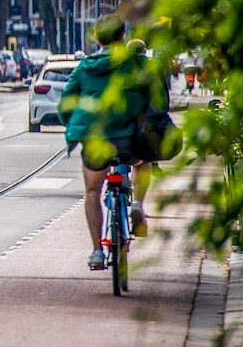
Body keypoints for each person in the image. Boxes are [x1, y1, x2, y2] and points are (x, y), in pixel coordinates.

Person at [58, 14, 166, 270]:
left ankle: (97, 251)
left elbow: (65, 106)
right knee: (143, 161)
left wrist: (73, 124)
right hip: (130, 140)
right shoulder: (138, 63)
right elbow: (159, 99)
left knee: (93, 191)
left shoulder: (85, 67)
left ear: (96, 37)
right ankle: (138, 205)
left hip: (96, 142)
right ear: (122, 36)